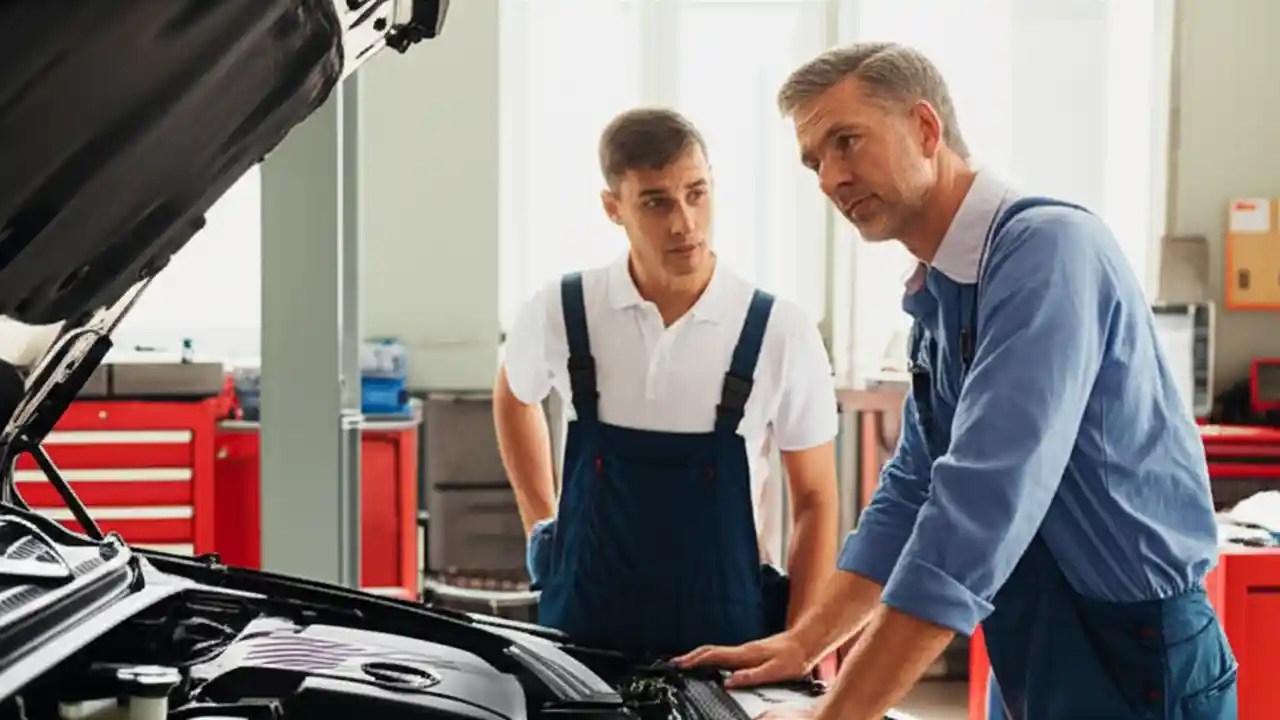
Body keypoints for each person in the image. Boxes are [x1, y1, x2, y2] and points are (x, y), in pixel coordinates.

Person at [675, 42, 1237, 720]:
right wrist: (806, 642)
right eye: (814, 160)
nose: (829, 178)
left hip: (1135, 655)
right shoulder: (942, 295)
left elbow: (980, 502)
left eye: (846, 142)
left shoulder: (1047, 253)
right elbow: (914, 487)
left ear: (926, 129)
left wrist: (838, 714)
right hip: (1029, 641)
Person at [493, 107, 840, 660]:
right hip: (583, 640)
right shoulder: (563, 311)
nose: (685, 223)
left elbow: (818, 501)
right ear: (613, 207)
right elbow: (514, 395)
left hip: (727, 641)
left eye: (697, 193)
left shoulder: (778, 331)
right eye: (656, 202)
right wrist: (544, 530)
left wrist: (798, 648)